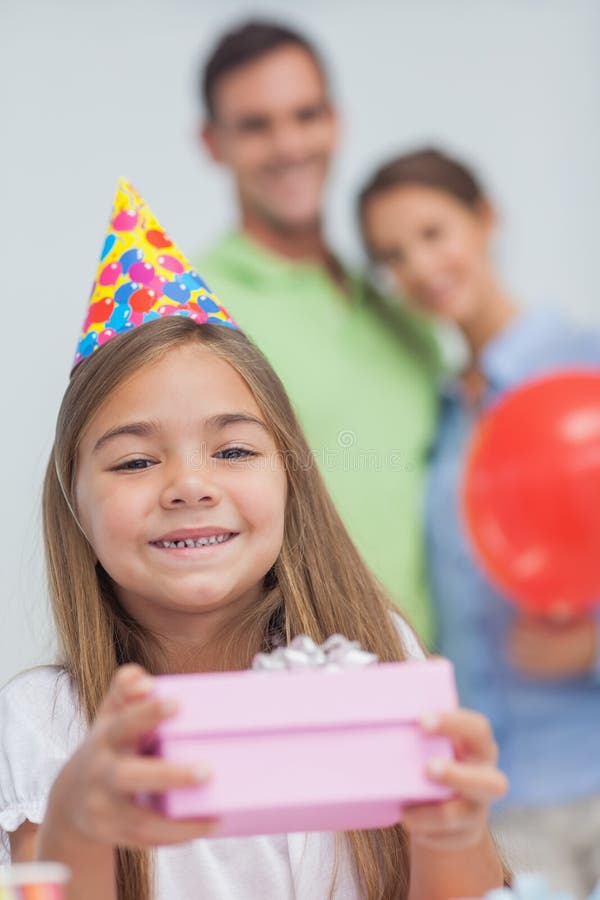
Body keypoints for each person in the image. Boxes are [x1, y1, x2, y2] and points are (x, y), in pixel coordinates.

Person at [0, 180, 508, 900]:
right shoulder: (46, 727)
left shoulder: (375, 660)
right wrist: (79, 825)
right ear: (73, 507)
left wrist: (452, 838)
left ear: (290, 479)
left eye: (234, 452)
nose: (189, 486)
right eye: (136, 461)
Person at [359, 146, 600, 897]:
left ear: (485, 219)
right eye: (392, 255)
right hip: (502, 790)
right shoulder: (438, 409)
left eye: (434, 233)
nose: (420, 267)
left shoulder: (584, 370)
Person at [196, 20, 441, 645]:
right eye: (255, 125)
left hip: (436, 674)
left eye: (306, 115)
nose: (288, 144)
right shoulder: (198, 313)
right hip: (298, 672)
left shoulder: (406, 314)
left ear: (337, 121)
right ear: (212, 143)